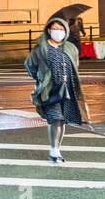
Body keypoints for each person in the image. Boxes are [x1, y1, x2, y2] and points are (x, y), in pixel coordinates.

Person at [25, 16, 91, 163]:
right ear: (49, 30)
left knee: (62, 120)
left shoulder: (70, 48)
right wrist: (41, 78)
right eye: (55, 28)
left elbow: (75, 65)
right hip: (50, 89)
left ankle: (57, 148)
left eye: (61, 29)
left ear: (66, 31)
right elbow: (30, 66)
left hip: (68, 89)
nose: (58, 31)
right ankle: (54, 151)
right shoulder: (41, 48)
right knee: (55, 118)